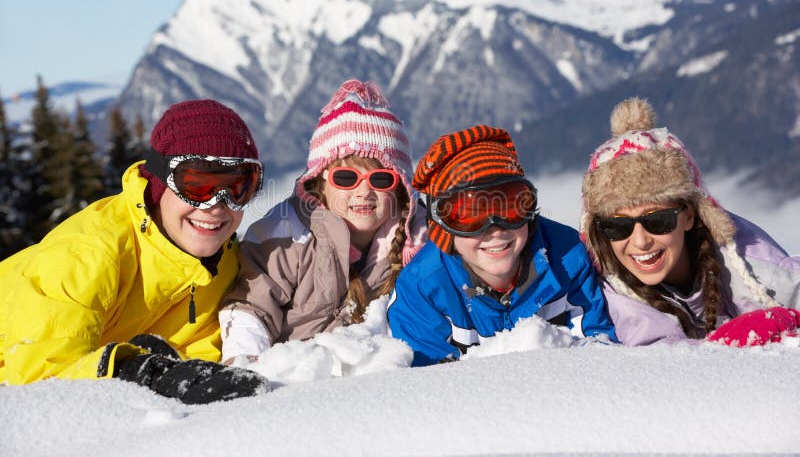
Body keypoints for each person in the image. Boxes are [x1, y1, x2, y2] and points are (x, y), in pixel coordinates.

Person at [0, 99, 271, 404]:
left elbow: (198, 356)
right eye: (197, 185)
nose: (215, 205)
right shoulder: (88, 253)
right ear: (159, 182)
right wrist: (133, 371)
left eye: (238, 186)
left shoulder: (223, 266)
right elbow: (38, 382)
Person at [218, 79, 427, 365]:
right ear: (319, 182)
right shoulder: (286, 237)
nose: (363, 191)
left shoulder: (416, 244)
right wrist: (244, 366)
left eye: (380, 179)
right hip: (292, 379)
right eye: (345, 178)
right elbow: (251, 309)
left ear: (400, 186)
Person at [387, 125, 617, 366]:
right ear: (443, 227)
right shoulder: (423, 289)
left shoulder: (566, 259)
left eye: (510, 206)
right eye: (470, 215)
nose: (495, 228)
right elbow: (426, 386)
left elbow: (598, 353)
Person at [581, 97, 800, 347]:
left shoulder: (752, 262)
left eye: (658, 220)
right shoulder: (613, 287)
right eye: (618, 226)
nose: (640, 241)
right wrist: (725, 344)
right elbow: (658, 362)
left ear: (689, 216)